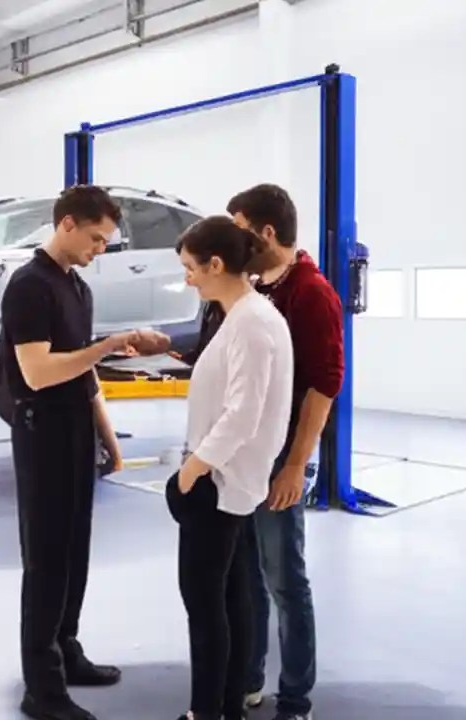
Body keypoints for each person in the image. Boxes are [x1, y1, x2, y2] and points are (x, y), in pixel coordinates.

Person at [0, 184, 164, 720]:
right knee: (46, 559)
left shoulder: (77, 288)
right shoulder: (30, 286)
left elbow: (82, 372)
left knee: (75, 551)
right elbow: (38, 372)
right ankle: (41, 688)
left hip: (75, 428)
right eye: (95, 238)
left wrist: (106, 436)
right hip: (42, 429)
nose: (100, 249)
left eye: (105, 241)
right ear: (67, 224)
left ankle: (66, 651)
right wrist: (110, 345)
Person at [166, 216, 294, 720]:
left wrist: (192, 471)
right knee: (232, 601)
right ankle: (225, 708)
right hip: (230, 483)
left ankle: (206, 712)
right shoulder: (244, 317)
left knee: (206, 607)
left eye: (190, 268)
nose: (188, 279)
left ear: (216, 264)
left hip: (218, 485)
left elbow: (243, 413)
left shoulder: (252, 323)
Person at [230, 184, 344, 720]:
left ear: (266, 232)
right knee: (247, 576)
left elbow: (325, 385)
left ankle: (295, 699)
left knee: (284, 580)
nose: (234, 242)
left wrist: (296, 464)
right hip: (247, 455)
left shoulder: (311, 293)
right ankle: (249, 679)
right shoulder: (255, 287)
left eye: (240, 230)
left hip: (281, 455)